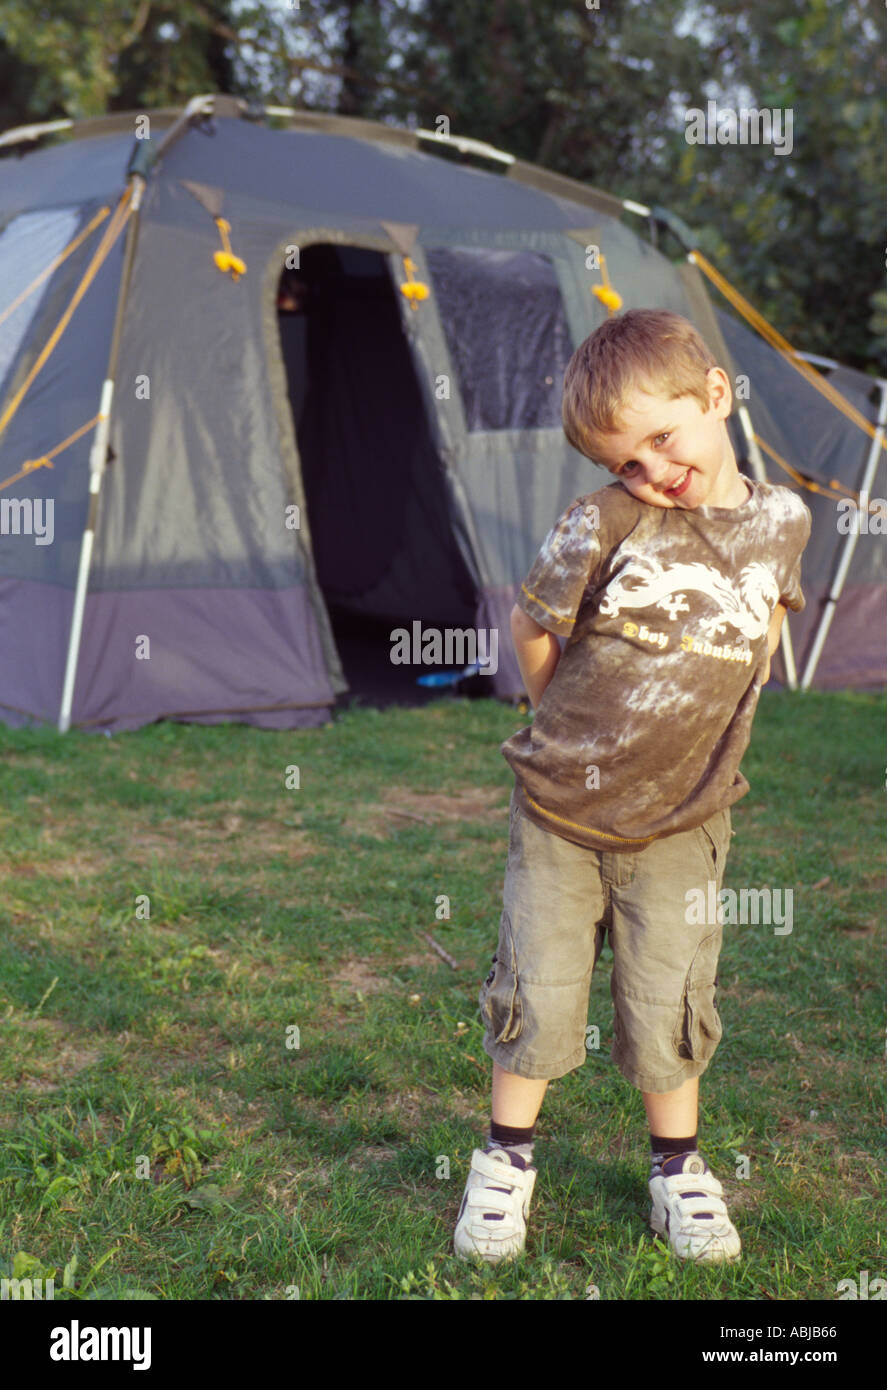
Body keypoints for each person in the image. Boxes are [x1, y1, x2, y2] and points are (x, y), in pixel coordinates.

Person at [454, 308, 811, 1265]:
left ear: (716, 397)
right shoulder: (604, 521)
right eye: (627, 462)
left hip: (683, 821)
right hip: (562, 814)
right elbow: (533, 630)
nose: (653, 471)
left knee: (669, 996)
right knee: (540, 985)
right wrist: (561, 721)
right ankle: (504, 1163)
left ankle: (677, 1171)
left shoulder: (784, 520)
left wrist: (717, 717)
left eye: (663, 438)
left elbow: (765, 624)